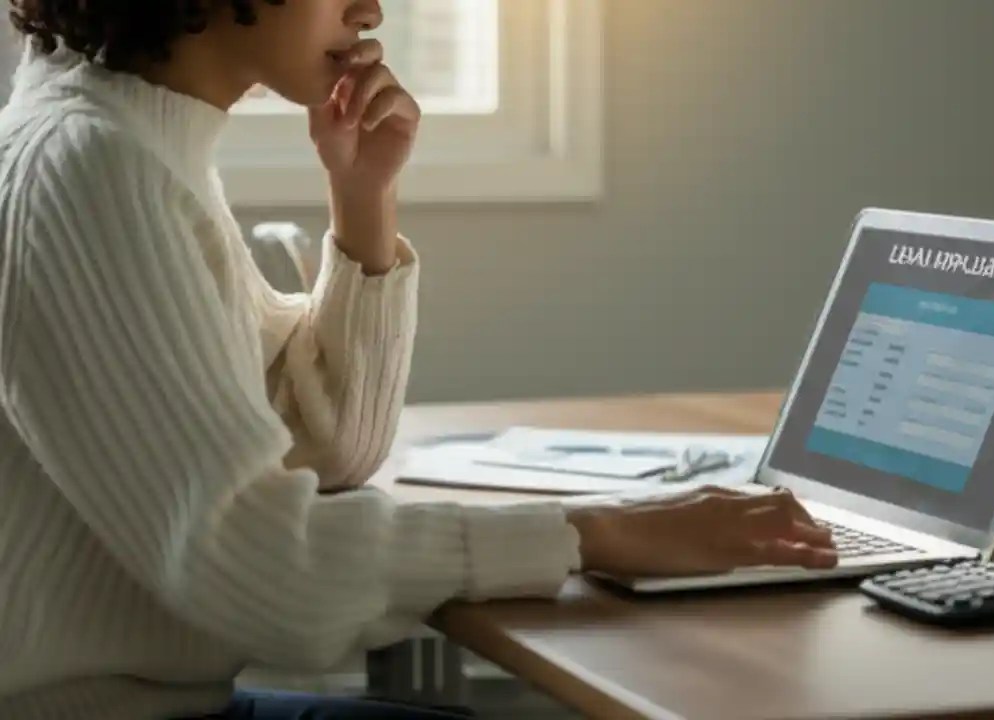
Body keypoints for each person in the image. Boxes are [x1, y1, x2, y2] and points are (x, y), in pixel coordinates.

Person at [0, 1, 838, 718]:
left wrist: (363, 202)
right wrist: (600, 532)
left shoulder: (137, 143)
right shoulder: (89, 166)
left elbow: (326, 452)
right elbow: (264, 572)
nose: (371, 10)